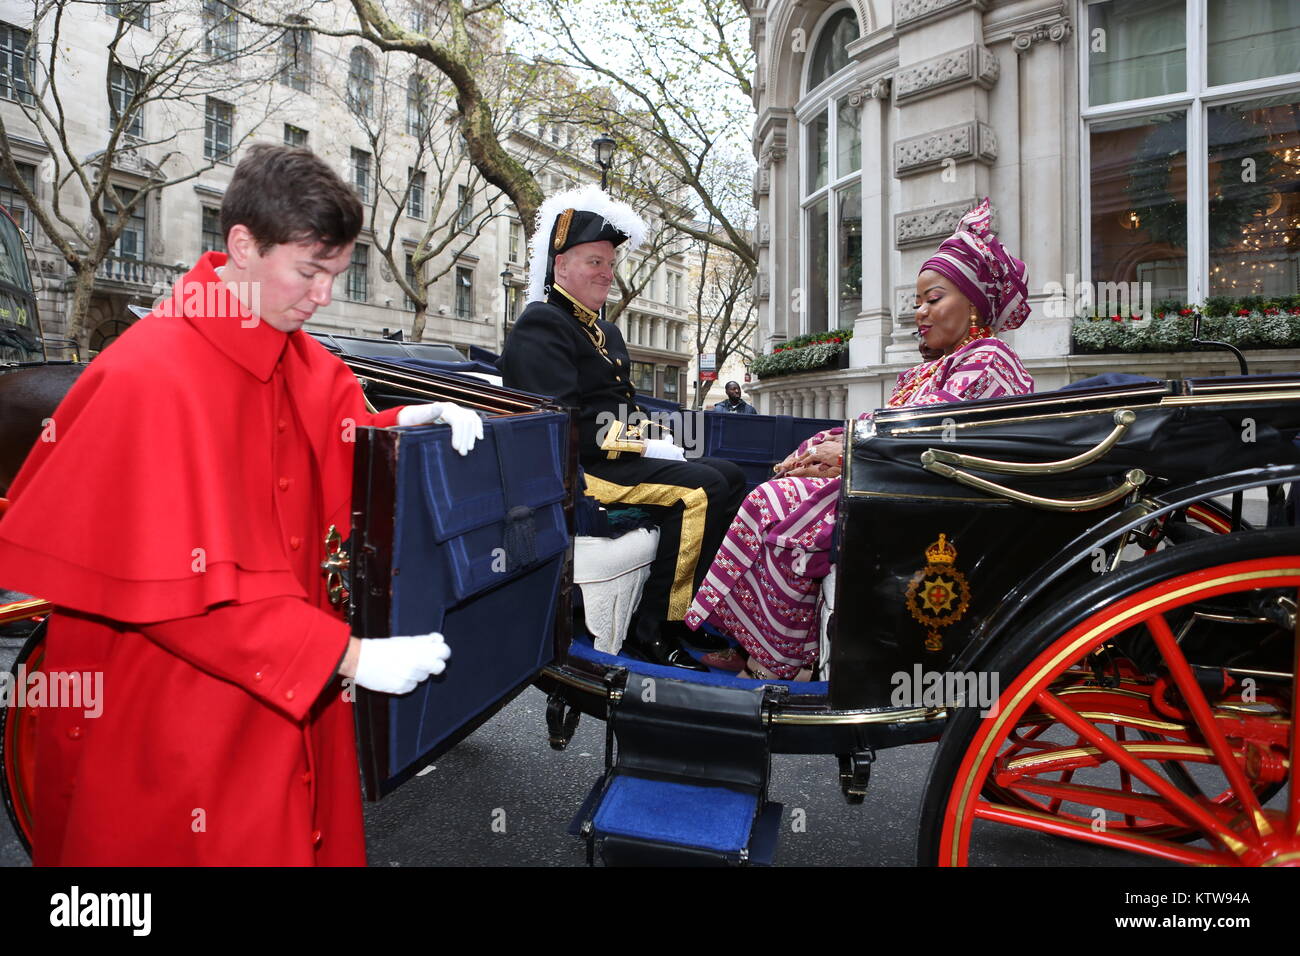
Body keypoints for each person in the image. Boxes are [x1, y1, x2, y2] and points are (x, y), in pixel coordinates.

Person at [0, 145, 484, 865]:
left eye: (337, 273)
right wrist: (345, 657)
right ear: (241, 246)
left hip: (280, 682)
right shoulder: (149, 373)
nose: (323, 295)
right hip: (176, 708)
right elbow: (173, 597)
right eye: (310, 271)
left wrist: (400, 428)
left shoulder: (288, 342)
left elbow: (329, 432)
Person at [686, 198, 1034, 680]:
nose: (920, 312)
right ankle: (758, 647)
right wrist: (815, 450)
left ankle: (780, 661)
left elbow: (925, 434)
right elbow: (884, 424)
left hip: (928, 502)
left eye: (934, 299)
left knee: (777, 508)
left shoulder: (989, 358)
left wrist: (846, 453)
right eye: (918, 302)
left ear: (974, 303)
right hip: (893, 482)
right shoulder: (933, 366)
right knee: (770, 495)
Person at [499, 185, 745, 672]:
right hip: (578, 469)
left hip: (615, 456)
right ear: (560, 265)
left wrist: (656, 437)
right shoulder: (542, 323)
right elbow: (562, 426)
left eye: (610, 264)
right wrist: (641, 439)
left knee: (731, 475)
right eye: (594, 261)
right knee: (702, 490)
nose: (607, 273)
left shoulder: (603, 330)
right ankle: (653, 629)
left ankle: (688, 613)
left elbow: (617, 406)